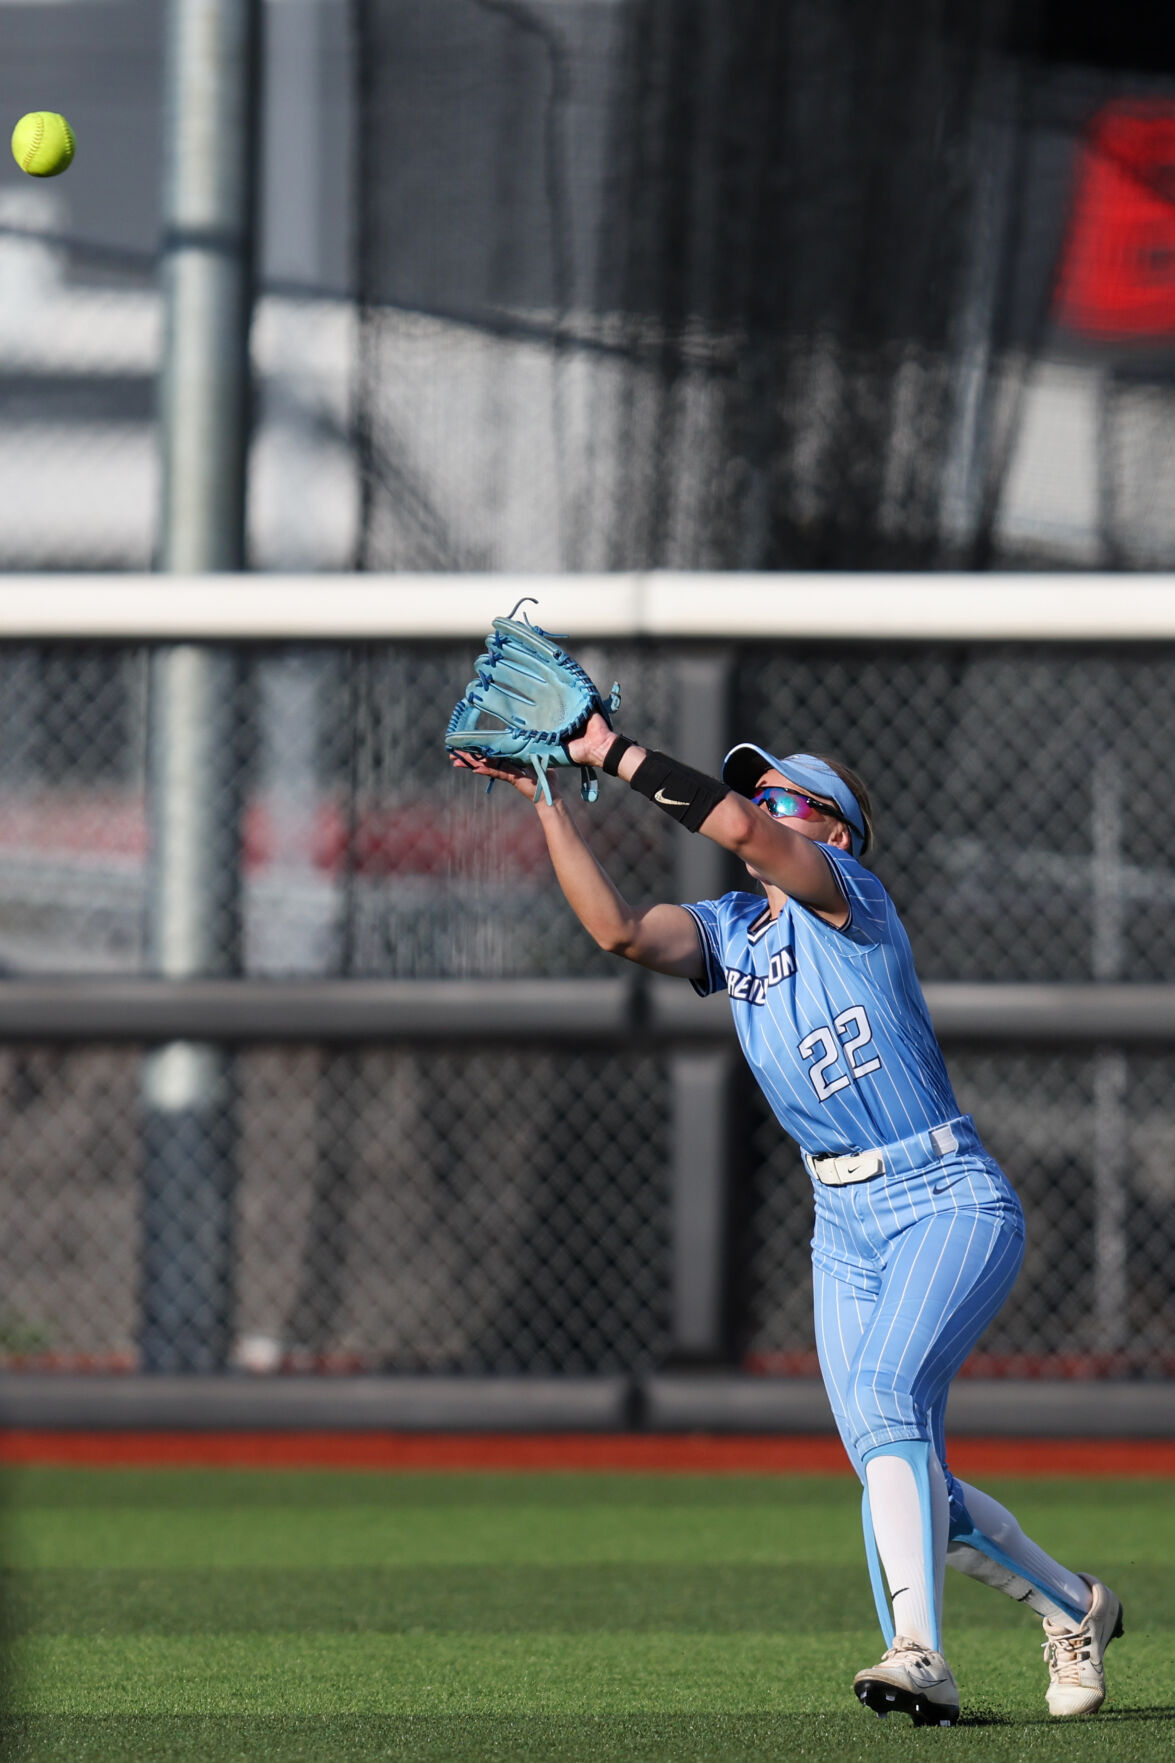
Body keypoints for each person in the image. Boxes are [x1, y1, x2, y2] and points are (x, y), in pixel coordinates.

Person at [453, 709, 1123, 1727]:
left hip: (944, 1195)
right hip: (840, 1222)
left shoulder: (849, 897)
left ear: (835, 834)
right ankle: (1073, 1603)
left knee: (888, 1402)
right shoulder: (734, 933)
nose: (763, 809)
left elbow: (742, 833)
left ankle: (917, 1650)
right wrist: (546, 799)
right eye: (757, 792)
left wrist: (610, 753)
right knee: (901, 1470)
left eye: (788, 801)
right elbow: (619, 931)